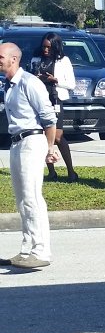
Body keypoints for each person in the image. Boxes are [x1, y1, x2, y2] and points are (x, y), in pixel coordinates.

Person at [0, 43, 60, 270]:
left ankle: (42, 250)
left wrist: (50, 147)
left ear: (14, 59)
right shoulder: (10, 84)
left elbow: (48, 117)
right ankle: (27, 250)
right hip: (17, 143)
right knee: (22, 200)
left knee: (32, 197)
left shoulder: (29, 82)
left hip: (32, 141)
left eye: (1, 56)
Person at [30, 32, 78, 182]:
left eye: (49, 47)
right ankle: (51, 172)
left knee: (57, 137)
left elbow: (71, 84)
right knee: (44, 137)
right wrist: (36, 78)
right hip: (40, 101)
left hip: (56, 99)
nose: (45, 50)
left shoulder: (63, 61)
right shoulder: (37, 59)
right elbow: (30, 78)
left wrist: (55, 80)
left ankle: (71, 171)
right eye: (44, 47)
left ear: (55, 47)